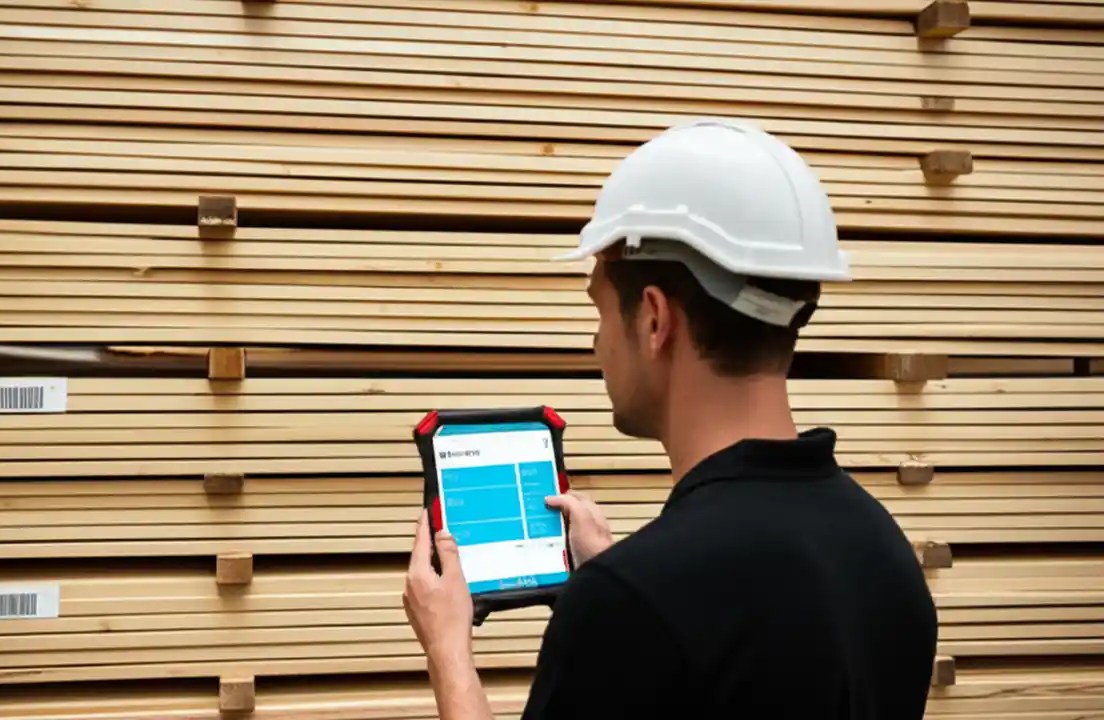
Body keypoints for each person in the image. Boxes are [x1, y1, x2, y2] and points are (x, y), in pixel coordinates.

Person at [402, 118, 939, 719]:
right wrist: (624, 576)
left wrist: (448, 650)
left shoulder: (628, 607)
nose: (598, 342)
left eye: (601, 310)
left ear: (655, 320)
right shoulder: (884, 555)